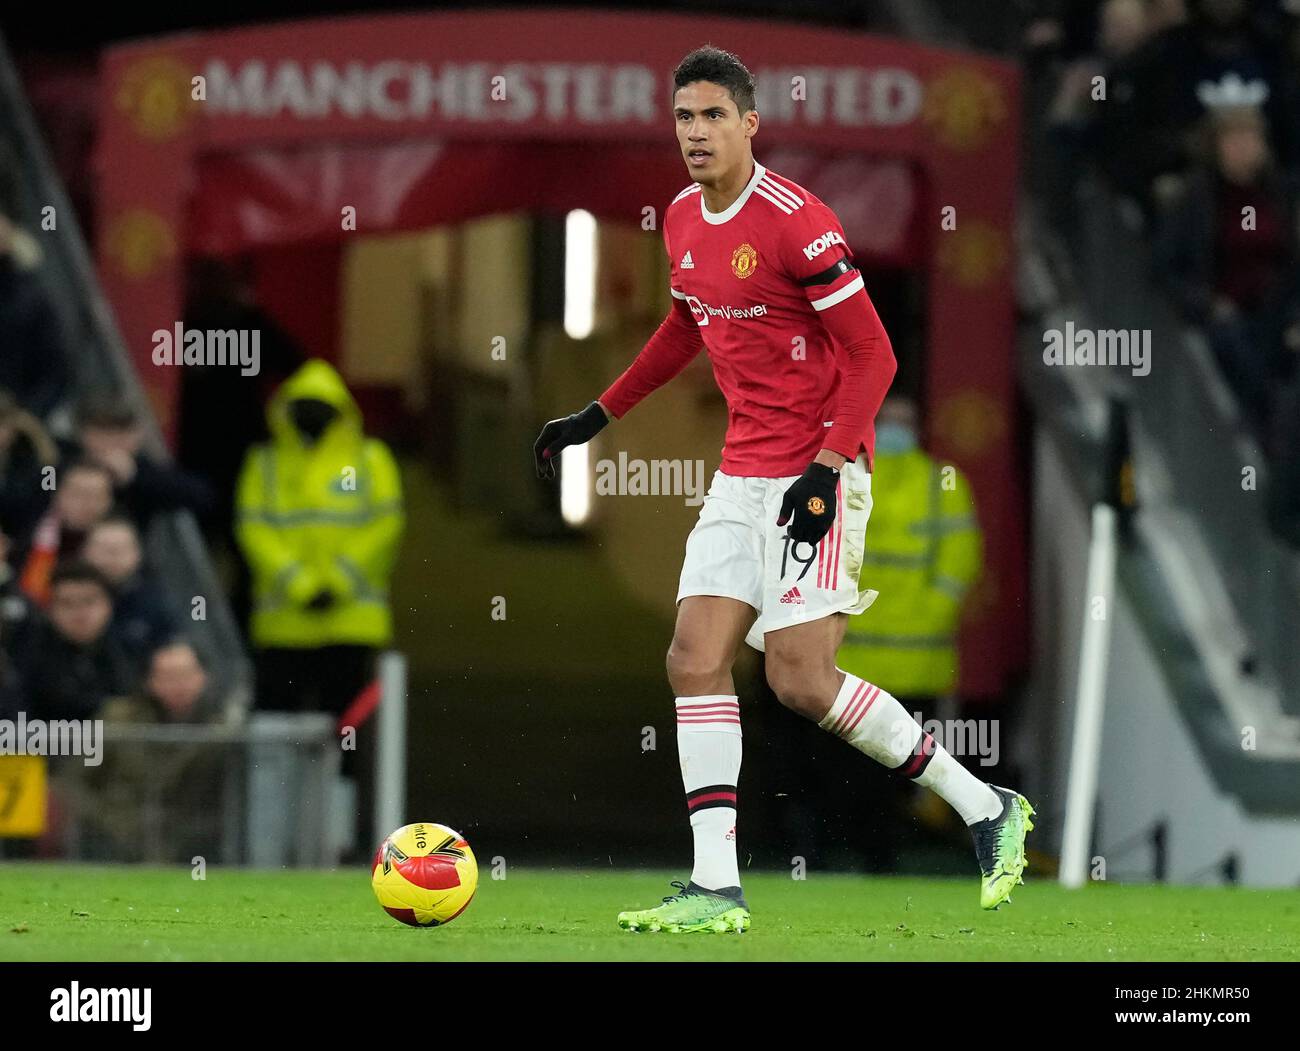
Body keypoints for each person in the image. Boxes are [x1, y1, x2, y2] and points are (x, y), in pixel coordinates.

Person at [534, 47, 1034, 933]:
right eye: (684, 117)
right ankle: (715, 885)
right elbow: (684, 325)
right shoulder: (684, 218)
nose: (695, 132)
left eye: (713, 116)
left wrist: (829, 467)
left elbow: (874, 354)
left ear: (749, 124)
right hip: (741, 473)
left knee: (802, 681)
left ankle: (985, 804)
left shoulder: (798, 223)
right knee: (694, 658)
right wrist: (597, 414)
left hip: (822, 471)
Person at [14, 560, 136, 722]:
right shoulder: (26, 656)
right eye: (67, 604)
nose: (80, 614)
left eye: (89, 602)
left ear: (109, 605)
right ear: (49, 610)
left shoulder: (129, 650)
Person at [82, 515, 180, 670]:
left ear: (138, 554)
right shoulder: (62, 594)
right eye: (103, 549)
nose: (111, 558)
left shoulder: (157, 602)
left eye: (120, 550)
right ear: (85, 551)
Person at [17, 458, 114, 606]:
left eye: (96, 495)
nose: (88, 503)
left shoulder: (119, 542)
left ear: (109, 501)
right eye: (78, 493)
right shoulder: (29, 539)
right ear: (57, 495)